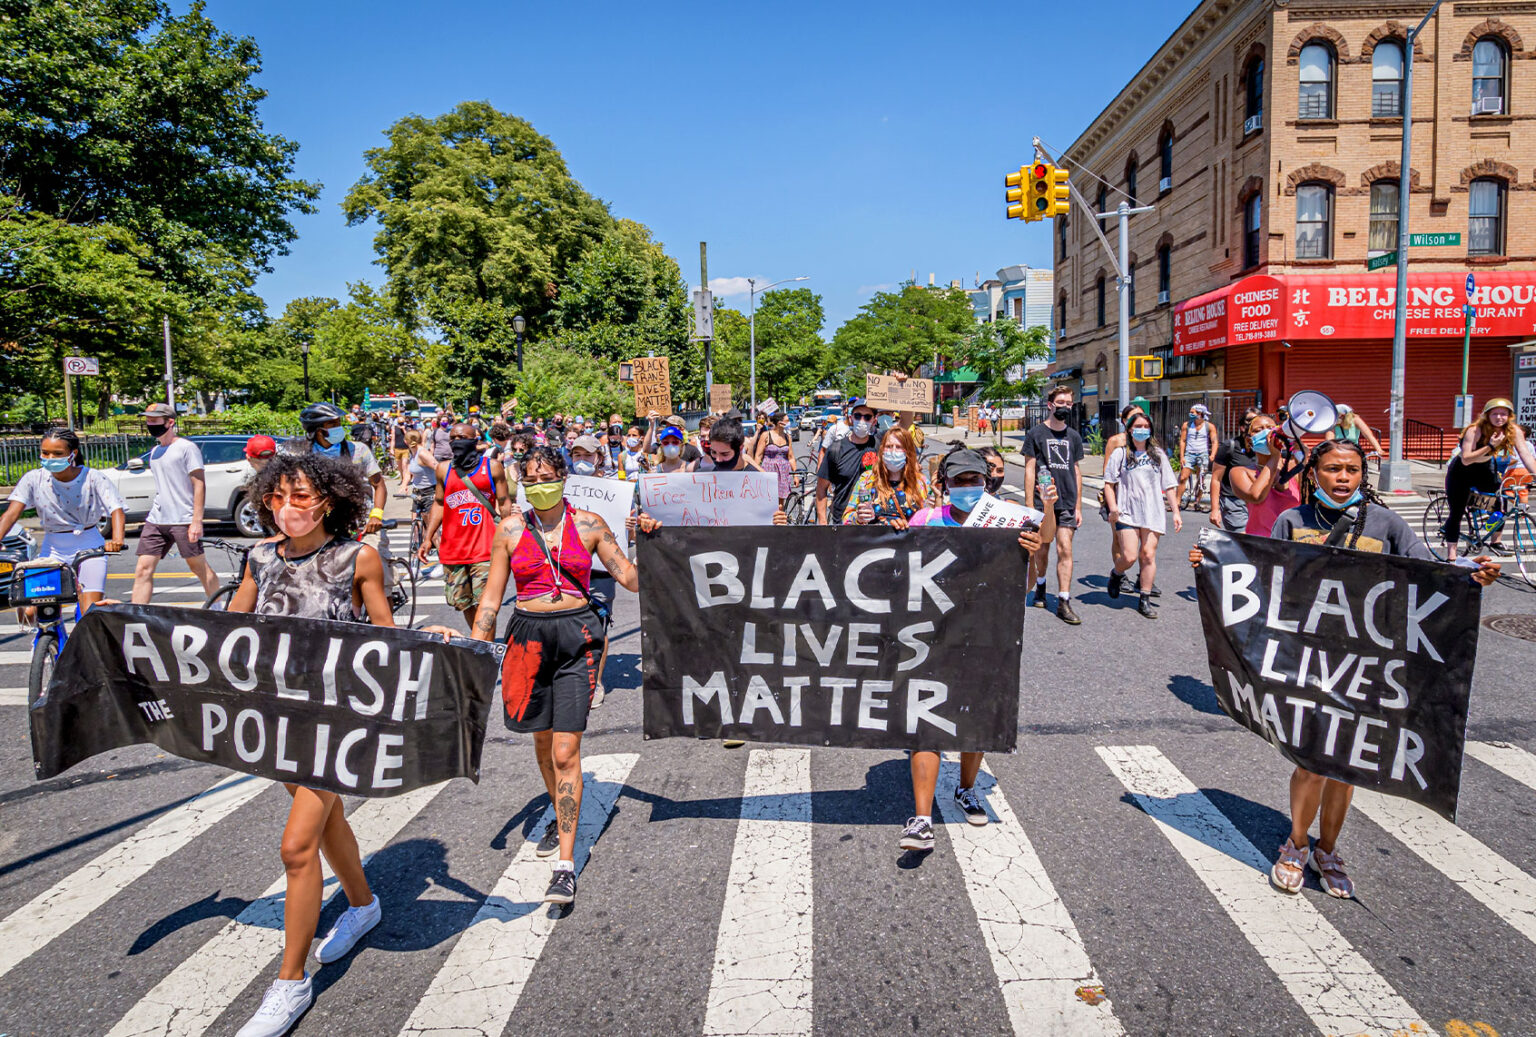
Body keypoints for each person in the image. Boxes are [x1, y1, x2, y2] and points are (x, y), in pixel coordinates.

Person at [1190, 439, 1498, 901]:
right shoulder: (1292, 521)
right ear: (1314, 474)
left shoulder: (1387, 524)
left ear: (1362, 474)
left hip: (1366, 668)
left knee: (1346, 767)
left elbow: (1430, 569)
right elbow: (1261, 572)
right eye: (1333, 469)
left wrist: (1471, 573)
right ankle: (1296, 845)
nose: (1343, 478)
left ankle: (1328, 850)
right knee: (1311, 762)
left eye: (1352, 469)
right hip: (1309, 663)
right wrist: (1213, 561)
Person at [227, 453, 442, 1037]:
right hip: (276, 718)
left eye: (301, 497)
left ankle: (290, 983)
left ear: (329, 501)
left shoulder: (358, 558)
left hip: (336, 720)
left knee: (297, 848)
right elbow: (224, 631)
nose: (288, 508)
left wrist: (435, 642)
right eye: (277, 497)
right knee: (328, 822)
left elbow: (386, 638)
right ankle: (364, 905)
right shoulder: (259, 557)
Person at [469, 446, 659, 905]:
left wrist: (652, 539)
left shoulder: (590, 525)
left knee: (565, 749)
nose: (539, 486)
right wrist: (473, 656)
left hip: (578, 638)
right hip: (528, 641)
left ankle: (565, 866)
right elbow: (491, 600)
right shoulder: (509, 530)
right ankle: (560, 811)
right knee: (542, 742)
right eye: (531, 480)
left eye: (547, 477)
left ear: (563, 478)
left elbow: (631, 579)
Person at [899, 450, 1045, 851]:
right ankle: (921, 819)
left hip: (984, 635)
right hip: (930, 636)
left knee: (974, 718)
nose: (967, 487)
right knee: (925, 721)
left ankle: (966, 788)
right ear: (945, 484)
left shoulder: (1010, 525)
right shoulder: (925, 521)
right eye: (959, 481)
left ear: (987, 483)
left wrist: (1032, 554)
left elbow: (1025, 586)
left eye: (974, 480)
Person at [0, 428, 125, 615]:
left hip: (89, 546)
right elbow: (11, 514)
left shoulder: (93, 477)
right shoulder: (34, 479)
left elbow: (116, 509)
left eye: (57, 454)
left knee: (89, 612)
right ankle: (46, 634)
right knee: (31, 612)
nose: (50, 458)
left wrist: (117, 540)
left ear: (72, 453)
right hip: (53, 548)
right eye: (45, 453)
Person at [419, 423, 512, 631]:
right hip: (453, 549)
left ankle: (483, 644)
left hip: (485, 547)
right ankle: (478, 638)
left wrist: (509, 535)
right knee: (464, 603)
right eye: (452, 438)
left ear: (475, 440)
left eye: (462, 437)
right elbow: (439, 503)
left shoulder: (492, 467)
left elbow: (504, 502)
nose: (456, 441)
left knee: (485, 605)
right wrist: (428, 537)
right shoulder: (443, 469)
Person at [130, 403, 222, 603]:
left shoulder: (186, 448)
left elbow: (199, 484)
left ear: (170, 422)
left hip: (183, 518)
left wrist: (196, 521)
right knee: (143, 569)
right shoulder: (155, 451)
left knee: (198, 567)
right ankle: (136, 613)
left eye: (154, 420)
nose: (150, 424)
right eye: (148, 420)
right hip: (157, 518)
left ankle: (218, 608)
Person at [1103, 410, 1181, 618]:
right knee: (1129, 556)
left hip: (1152, 511)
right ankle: (1117, 573)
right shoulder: (1120, 454)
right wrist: (1113, 508)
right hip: (1127, 512)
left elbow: (1169, 485)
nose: (1142, 430)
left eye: (1146, 427)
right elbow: (1109, 484)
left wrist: (1175, 511)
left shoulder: (1158, 455)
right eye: (1138, 426)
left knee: (1147, 555)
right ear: (1129, 429)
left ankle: (1144, 599)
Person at [1441, 398, 1536, 560]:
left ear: (1509, 416)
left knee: (1500, 501)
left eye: (1503, 414)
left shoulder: (1513, 430)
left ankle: (1495, 541)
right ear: (1487, 415)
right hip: (1461, 472)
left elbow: (1526, 455)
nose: (1499, 417)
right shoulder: (1475, 430)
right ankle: (1451, 556)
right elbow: (1466, 458)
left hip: (1485, 469)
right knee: (1457, 512)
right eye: (1495, 414)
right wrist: (1490, 446)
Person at [1022, 385, 1085, 624]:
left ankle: (1063, 601)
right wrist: (1030, 504)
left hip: (1066, 501)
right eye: (1061, 403)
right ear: (1050, 405)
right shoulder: (1036, 434)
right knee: (1042, 549)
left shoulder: (1074, 437)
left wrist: (1078, 506)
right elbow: (1030, 469)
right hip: (1043, 502)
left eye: (1069, 403)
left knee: (1065, 549)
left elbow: (1076, 470)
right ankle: (1040, 583)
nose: (1065, 407)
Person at [281, 402, 387, 539]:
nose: (339, 427)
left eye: (339, 422)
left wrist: (376, 516)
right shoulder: (300, 455)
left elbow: (379, 485)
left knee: (372, 549)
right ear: (318, 431)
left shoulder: (358, 450)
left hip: (360, 522)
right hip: (316, 524)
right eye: (332, 424)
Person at [1227, 412, 1302, 537]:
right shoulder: (1240, 472)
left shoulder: (1293, 467)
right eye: (1259, 430)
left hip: (1294, 543)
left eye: (1271, 428)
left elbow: (1309, 501)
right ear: (1249, 441)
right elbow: (1256, 496)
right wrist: (1275, 456)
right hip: (1260, 543)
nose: (1267, 433)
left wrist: (1304, 460)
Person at [843, 426, 929, 528]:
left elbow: (931, 519)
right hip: (873, 538)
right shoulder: (867, 479)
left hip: (908, 538)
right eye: (888, 446)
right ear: (882, 450)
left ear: (908, 451)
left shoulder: (921, 482)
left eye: (898, 447)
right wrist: (858, 518)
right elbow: (846, 519)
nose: (893, 451)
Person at [816, 398, 877, 524]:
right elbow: (821, 489)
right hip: (844, 522)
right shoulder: (836, 449)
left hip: (874, 522)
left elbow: (905, 428)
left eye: (867, 417)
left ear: (874, 421)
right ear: (851, 418)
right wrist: (823, 523)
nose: (862, 421)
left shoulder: (880, 445)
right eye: (858, 416)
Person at [1210, 407, 1261, 533]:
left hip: (1257, 502)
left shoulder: (1264, 449)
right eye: (1250, 421)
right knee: (1244, 539)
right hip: (1233, 502)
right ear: (1242, 427)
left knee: (1257, 539)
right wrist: (1215, 509)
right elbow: (1216, 479)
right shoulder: (1230, 447)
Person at [751, 410, 797, 506]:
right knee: (768, 501)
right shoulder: (766, 435)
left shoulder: (787, 437)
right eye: (787, 421)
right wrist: (756, 473)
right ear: (780, 423)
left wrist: (795, 475)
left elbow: (791, 457)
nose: (789, 423)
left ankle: (780, 515)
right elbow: (758, 456)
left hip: (783, 472)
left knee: (780, 503)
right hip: (769, 471)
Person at [1177, 404, 1217, 510]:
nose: (1191, 414)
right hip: (1189, 454)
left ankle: (1197, 502)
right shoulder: (1187, 425)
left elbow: (1214, 441)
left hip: (1202, 454)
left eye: (1193, 412)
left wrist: (1212, 454)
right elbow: (1182, 441)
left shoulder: (1209, 426)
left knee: (1201, 478)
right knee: (1183, 477)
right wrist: (1182, 456)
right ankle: (1177, 502)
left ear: (1200, 413)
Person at [692, 417, 764, 473]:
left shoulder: (756, 478)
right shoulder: (704, 476)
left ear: (740, 448)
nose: (718, 459)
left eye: (725, 454)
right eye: (713, 452)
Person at [389, 417, 412, 489]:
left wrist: (404, 429)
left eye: (402, 422)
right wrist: (391, 449)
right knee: (399, 466)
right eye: (400, 422)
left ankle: (405, 480)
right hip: (397, 448)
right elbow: (393, 439)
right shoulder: (394, 428)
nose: (401, 424)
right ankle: (402, 478)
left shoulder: (407, 428)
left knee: (404, 465)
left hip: (405, 449)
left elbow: (409, 437)